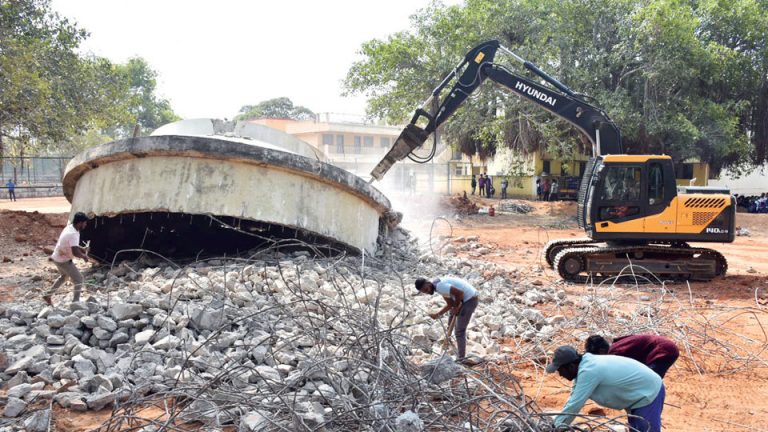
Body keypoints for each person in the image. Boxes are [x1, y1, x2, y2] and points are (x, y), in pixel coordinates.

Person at [547, 345, 665, 432]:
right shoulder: (584, 367)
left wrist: (555, 427)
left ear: (571, 366)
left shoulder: (589, 371)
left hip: (649, 391)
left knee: (646, 429)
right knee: (636, 429)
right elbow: (573, 400)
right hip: (636, 397)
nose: (560, 374)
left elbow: (575, 404)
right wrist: (557, 423)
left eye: (560, 370)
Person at [415, 276, 479, 361]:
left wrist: (456, 307)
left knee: (460, 331)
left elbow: (460, 294)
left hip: (470, 300)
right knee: (451, 316)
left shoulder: (440, 286)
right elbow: (450, 304)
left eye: (426, 289)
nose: (427, 292)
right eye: (424, 292)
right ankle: (448, 340)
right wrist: (438, 315)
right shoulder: (437, 286)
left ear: (428, 283)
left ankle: (461, 358)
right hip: (464, 299)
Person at [44, 212, 91, 305]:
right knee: (79, 279)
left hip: (56, 257)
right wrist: (84, 256)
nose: (86, 225)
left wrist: (82, 248)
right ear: (80, 223)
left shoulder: (70, 227)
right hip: (63, 260)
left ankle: (47, 295)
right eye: (85, 223)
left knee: (64, 277)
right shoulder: (73, 233)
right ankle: (76, 302)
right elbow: (75, 252)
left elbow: (72, 244)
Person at [585, 334, 679, 378]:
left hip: (664, 350)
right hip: (663, 347)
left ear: (601, 351)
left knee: (650, 379)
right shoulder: (616, 345)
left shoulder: (615, 353)